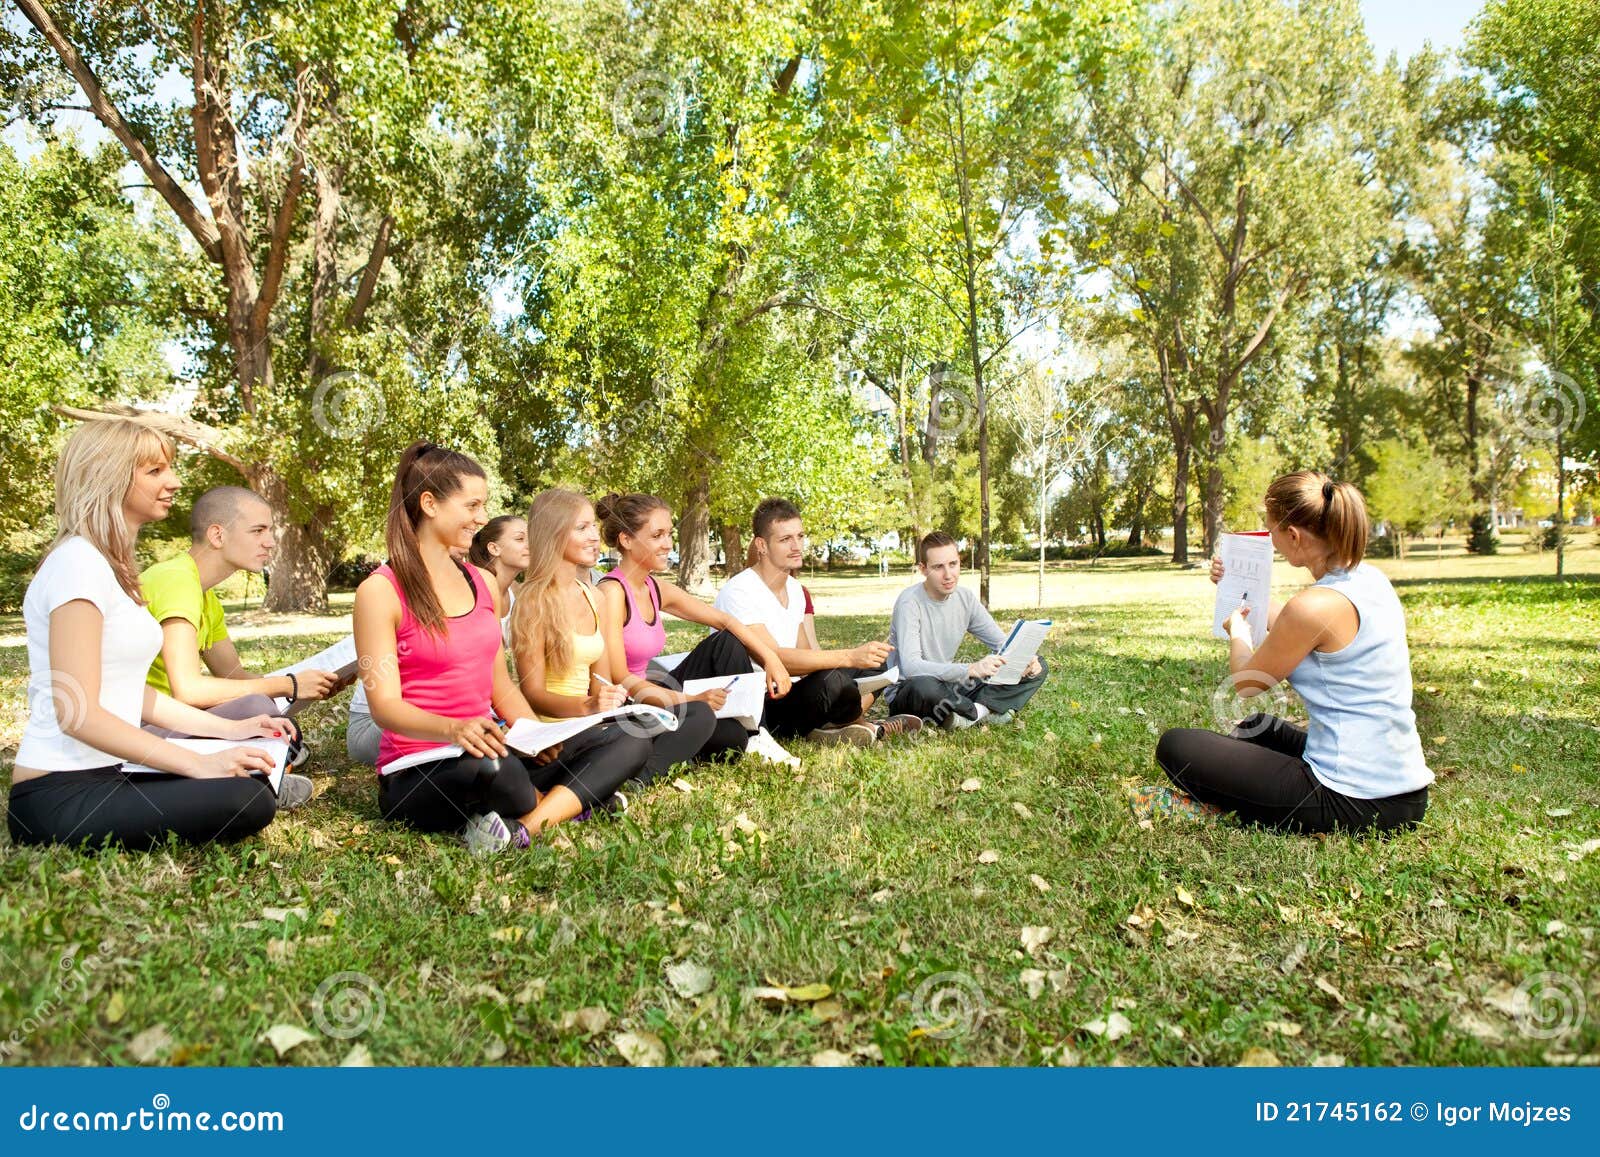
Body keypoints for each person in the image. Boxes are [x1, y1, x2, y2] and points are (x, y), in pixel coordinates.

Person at [7, 420, 288, 850]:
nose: (174, 482)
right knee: (246, 799)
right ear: (109, 477)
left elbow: (133, 695)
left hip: (113, 772)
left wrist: (230, 730)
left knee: (248, 772)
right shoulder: (77, 564)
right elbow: (76, 713)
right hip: (59, 793)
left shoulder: (110, 568)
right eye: (155, 471)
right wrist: (197, 762)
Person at [354, 443, 601, 853]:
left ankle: (530, 814)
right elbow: (384, 707)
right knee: (496, 769)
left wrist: (537, 735)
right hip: (421, 768)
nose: (482, 518)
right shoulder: (379, 591)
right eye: (472, 505)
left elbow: (499, 686)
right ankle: (566, 804)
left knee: (616, 739)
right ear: (429, 504)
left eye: (483, 505)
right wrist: (454, 729)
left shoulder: (482, 582)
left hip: (490, 745)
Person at [1154, 471, 1433, 834]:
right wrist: (1234, 582)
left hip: (1354, 800)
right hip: (1406, 792)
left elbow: (1247, 683)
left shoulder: (1314, 606)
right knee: (1256, 728)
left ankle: (1233, 808)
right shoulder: (1368, 580)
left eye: (1271, 530)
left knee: (1175, 745)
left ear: (1294, 536)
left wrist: (1238, 633)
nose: (1270, 539)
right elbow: (1291, 622)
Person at [140, 486, 345, 807]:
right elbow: (188, 690)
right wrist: (289, 684)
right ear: (217, 535)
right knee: (256, 709)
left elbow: (235, 677)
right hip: (139, 730)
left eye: (270, 531)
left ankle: (267, 767)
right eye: (258, 531)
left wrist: (313, 685)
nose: (270, 542)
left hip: (173, 722)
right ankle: (261, 778)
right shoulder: (176, 581)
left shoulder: (204, 594)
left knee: (268, 715)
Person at [593, 493, 793, 775]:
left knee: (727, 650)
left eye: (669, 534)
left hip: (657, 692)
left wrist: (770, 658)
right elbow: (621, 679)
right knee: (726, 735)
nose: (668, 544)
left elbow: (724, 620)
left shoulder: (654, 588)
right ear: (626, 540)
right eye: (657, 535)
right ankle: (742, 736)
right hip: (630, 705)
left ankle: (755, 733)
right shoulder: (612, 592)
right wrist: (692, 700)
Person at [713, 497, 919, 745]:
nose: (796, 546)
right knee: (833, 682)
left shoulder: (795, 590)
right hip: (766, 702)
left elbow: (806, 654)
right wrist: (848, 658)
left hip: (797, 690)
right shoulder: (739, 591)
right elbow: (774, 658)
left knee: (877, 662)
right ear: (762, 545)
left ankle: (832, 725)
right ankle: (855, 723)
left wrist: (852, 663)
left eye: (800, 536)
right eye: (785, 539)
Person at [506, 490, 657, 805]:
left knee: (673, 720)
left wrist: (608, 699)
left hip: (589, 726)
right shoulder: (533, 601)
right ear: (554, 533)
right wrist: (588, 706)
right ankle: (597, 787)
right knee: (634, 740)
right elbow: (532, 693)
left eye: (593, 527)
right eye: (582, 528)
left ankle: (598, 785)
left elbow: (600, 683)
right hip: (551, 738)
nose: (594, 536)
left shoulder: (594, 597)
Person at [885, 531, 1048, 728]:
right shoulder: (909, 602)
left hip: (949, 686)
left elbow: (1001, 644)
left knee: (1039, 664)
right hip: (911, 691)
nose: (948, 575)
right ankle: (986, 711)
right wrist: (970, 669)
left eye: (953, 564)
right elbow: (911, 667)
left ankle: (974, 713)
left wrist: (1023, 658)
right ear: (923, 569)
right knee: (924, 686)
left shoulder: (965, 598)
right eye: (938, 567)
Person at [468, 514, 529, 644]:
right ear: (494, 548)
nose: (530, 545)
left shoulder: (516, 591)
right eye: (520, 539)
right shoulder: (474, 592)